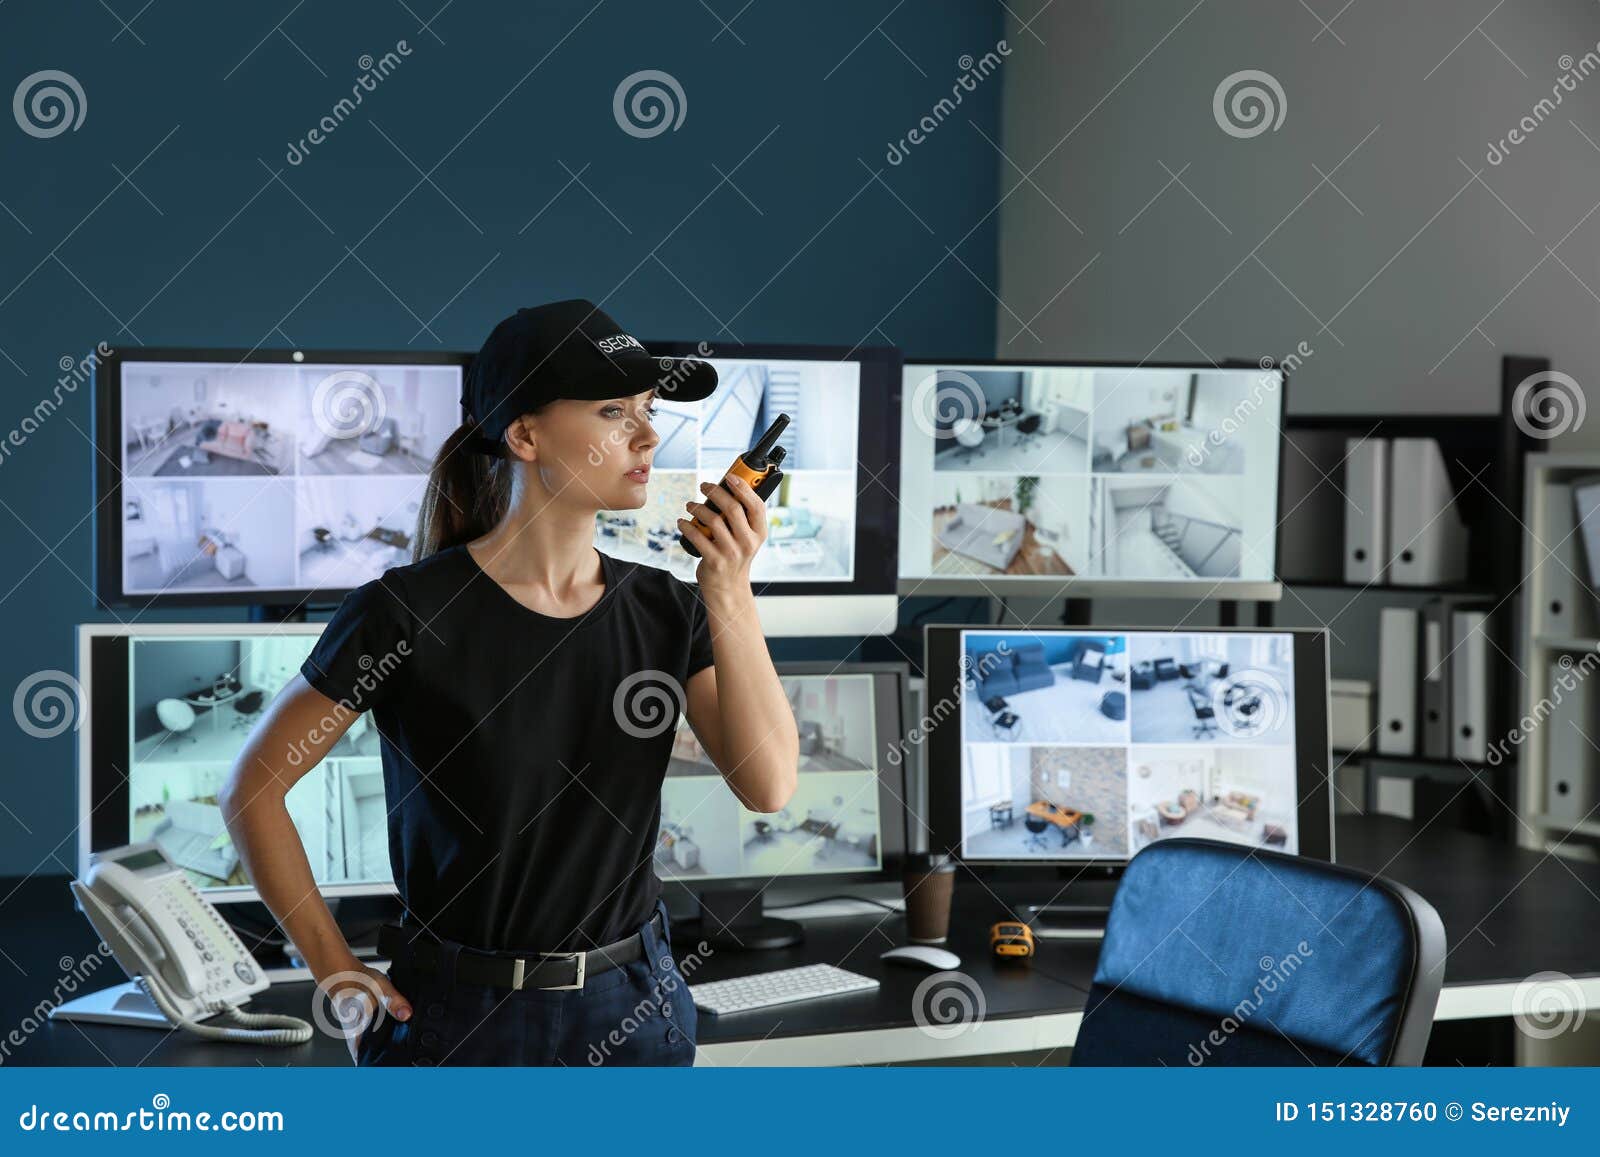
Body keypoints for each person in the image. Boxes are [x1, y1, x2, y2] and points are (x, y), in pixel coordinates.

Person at [219, 299, 800, 1066]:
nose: (648, 434)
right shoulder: (404, 614)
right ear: (524, 435)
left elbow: (769, 785)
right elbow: (252, 791)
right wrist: (330, 961)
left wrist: (729, 588)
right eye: (612, 411)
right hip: (458, 1015)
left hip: (637, 1007)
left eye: (649, 410)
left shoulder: (669, 608)